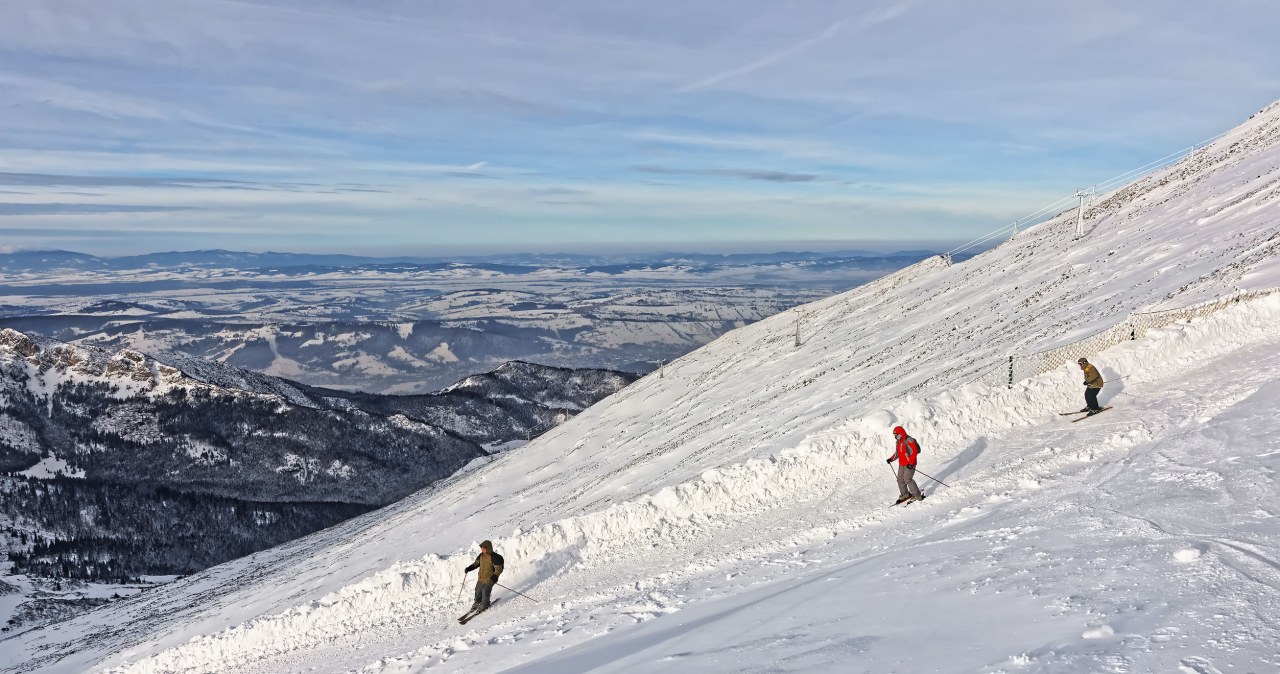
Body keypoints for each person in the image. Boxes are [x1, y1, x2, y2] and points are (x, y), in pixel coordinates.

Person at [886, 425, 923, 504]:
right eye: (894, 435)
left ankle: (917, 495)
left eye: (895, 434)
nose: (894, 436)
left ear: (899, 433)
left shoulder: (909, 440)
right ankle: (905, 494)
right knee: (900, 479)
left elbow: (914, 451)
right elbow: (897, 453)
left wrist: (911, 463)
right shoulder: (898, 442)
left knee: (907, 479)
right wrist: (891, 459)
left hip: (910, 464)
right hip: (902, 464)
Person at [464, 540, 504, 612]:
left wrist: (495, 576)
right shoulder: (481, 556)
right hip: (481, 578)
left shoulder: (495, 557)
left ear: (488, 548)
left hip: (491, 578)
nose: (482, 549)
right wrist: (469, 568)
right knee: (478, 590)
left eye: (483, 548)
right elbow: (475, 564)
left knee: (485, 590)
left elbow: (499, 569)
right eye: (481, 548)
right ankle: (478, 602)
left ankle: (485, 604)